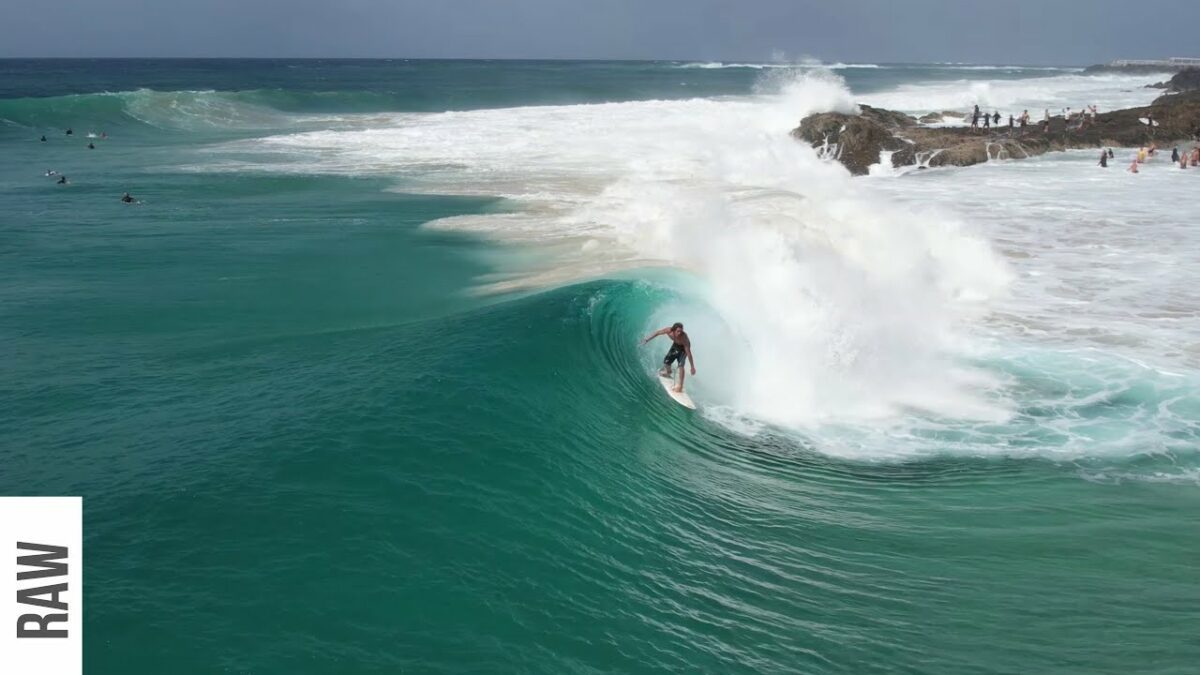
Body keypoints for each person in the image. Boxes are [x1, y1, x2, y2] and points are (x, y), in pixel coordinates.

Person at [642, 322, 695, 393]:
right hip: (676, 345)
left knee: (681, 366)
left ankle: (680, 386)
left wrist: (692, 367)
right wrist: (647, 339)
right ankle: (669, 372)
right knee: (666, 362)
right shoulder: (668, 331)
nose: (679, 333)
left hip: (684, 349)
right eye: (678, 331)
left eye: (681, 331)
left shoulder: (684, 338)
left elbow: (689, 353)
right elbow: (658, 333)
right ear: (673, 330)